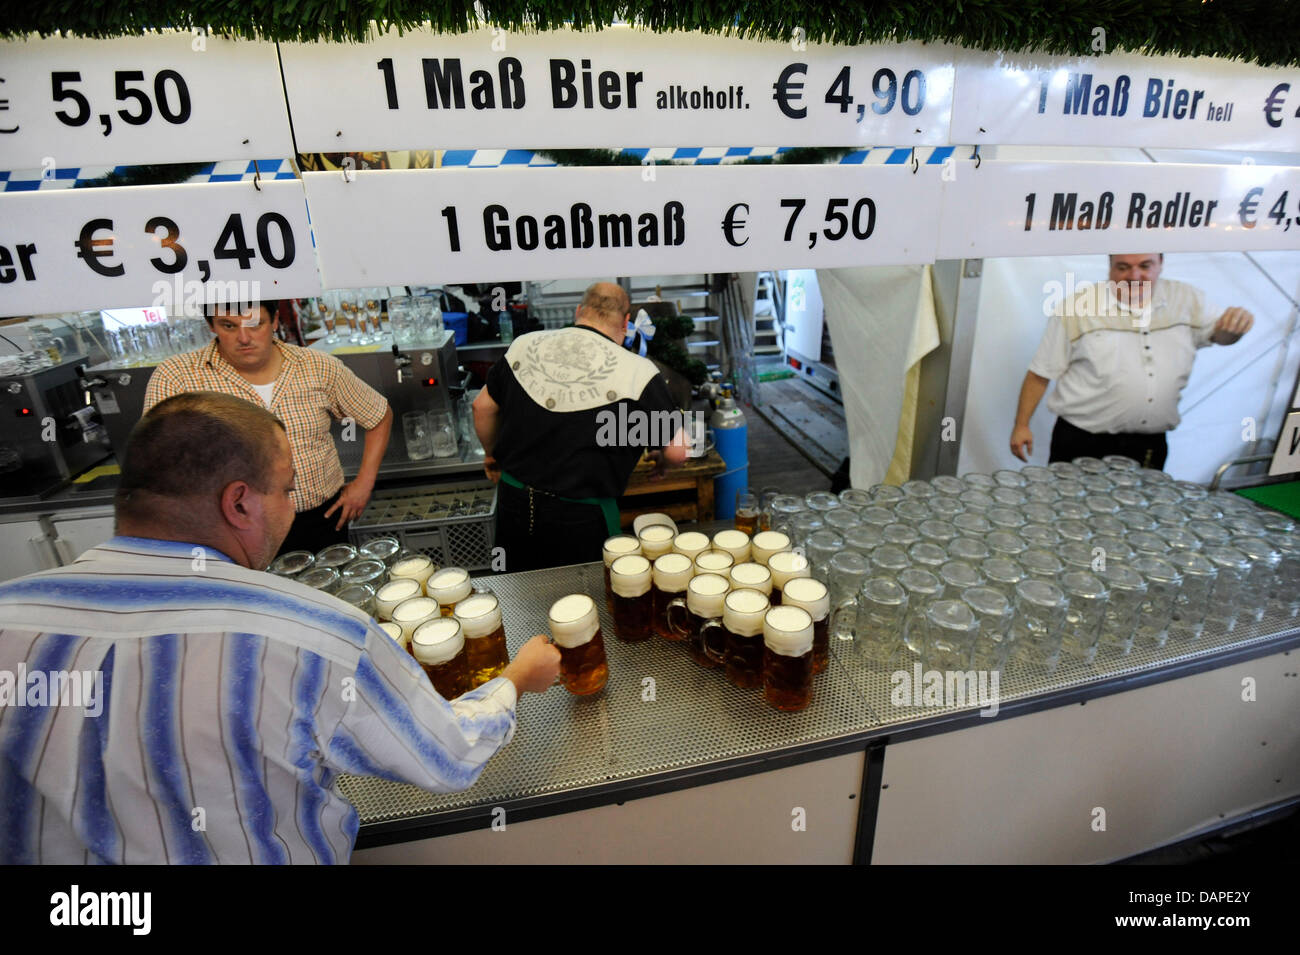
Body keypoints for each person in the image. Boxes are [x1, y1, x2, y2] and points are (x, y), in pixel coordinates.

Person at [0, 392, 560, 864]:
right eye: (288, 490)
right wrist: (514, 679)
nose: (292, 507)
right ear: (240, 503)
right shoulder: (310, 633)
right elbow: (445, 755)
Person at [143, 300, 393, 555]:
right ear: (211, 326)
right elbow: (157, 463)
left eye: (255, 324)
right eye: (229, 326)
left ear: (274, 322)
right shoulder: (177, 377)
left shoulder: (317, 367)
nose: (244, 338)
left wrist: (363, 484)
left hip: (321, 520)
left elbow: (377, 415)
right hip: (233, 530)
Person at [473, 282, 689, 571]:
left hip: (515, 506)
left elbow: (482, 407)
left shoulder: (524, 346)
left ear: (579, 311)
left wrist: (492, 455)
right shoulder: (639, 372)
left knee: (518, 598)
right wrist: (662, 459)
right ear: (626, 322)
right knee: (588, 604)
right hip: (583, 520)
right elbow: (679, 452)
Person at [1010, 253, 1254, 469]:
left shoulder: (1189, 300)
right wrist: (1022, 425)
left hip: (1149, 444)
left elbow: (1220, 336)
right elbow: (1040, 373)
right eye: (1123, 267)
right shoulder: (1076, 308)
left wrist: (1234, 328)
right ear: (1110, 268)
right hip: (1081, 440)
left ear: (1161, 264)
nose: (1134, 275)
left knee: (1140, 518)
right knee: (1070, 516)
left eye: (1145, 266)